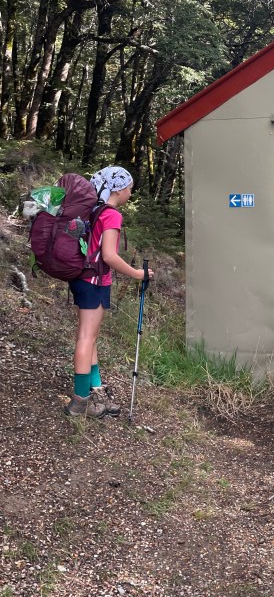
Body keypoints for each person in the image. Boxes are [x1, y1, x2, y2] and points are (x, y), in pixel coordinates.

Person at [65, 166, 154, 418]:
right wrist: (138, 274)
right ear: (118, 188)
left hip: (83, 279)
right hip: (94, 281)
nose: (130, 192)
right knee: (86, 338)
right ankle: (80, 402)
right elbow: (109, 256)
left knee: (89, 338)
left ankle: (95, 394)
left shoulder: (93, 210)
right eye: (129, 188)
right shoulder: (111, 214)